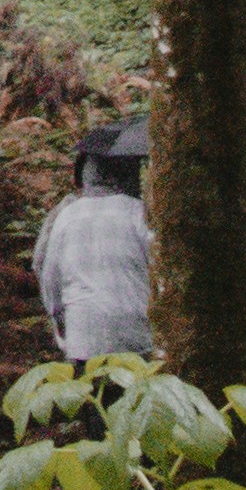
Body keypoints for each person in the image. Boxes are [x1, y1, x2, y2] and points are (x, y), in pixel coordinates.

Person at [34, 137, 156, 367]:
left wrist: (59, 319)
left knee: (89, 389)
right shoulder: (137, 212)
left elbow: (49, 277)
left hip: (83, 334)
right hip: (133, 334)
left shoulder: (66, 216)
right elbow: (157, 266)